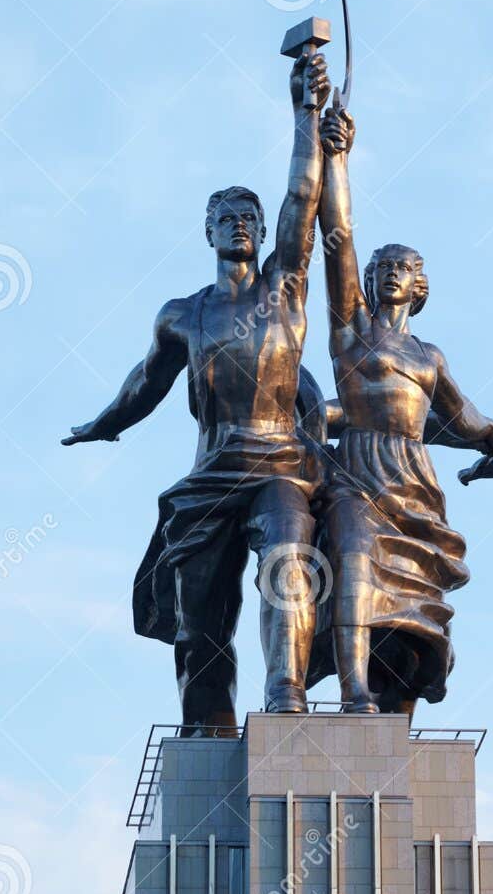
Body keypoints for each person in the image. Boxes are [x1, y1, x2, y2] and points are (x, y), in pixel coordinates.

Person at [62, 50, 331, 735]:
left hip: (278, 466)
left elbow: (304, 196)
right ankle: (207, 727)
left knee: (288, 561)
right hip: (211, 475)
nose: (241, 223)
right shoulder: (181, 313)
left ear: (265, 234)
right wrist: (103, 423)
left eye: (251, 217)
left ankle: (286, 694)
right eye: (227, 216)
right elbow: (145, 382)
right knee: (197, 622)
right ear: (208, 232)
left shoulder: (284, 290)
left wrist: (304, 112)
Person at [307, 103, 493, 716]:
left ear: (419, 284)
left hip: (415, 483)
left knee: (409, 608)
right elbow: (340, 239)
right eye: (383, 268)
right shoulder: (350, 333)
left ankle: (393, 689)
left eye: (404, 268)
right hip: (355, 470)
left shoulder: (429, 357)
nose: (391, 274)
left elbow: (464, 420)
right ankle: (353, 692)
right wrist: (337, 158)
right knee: (352, 561)